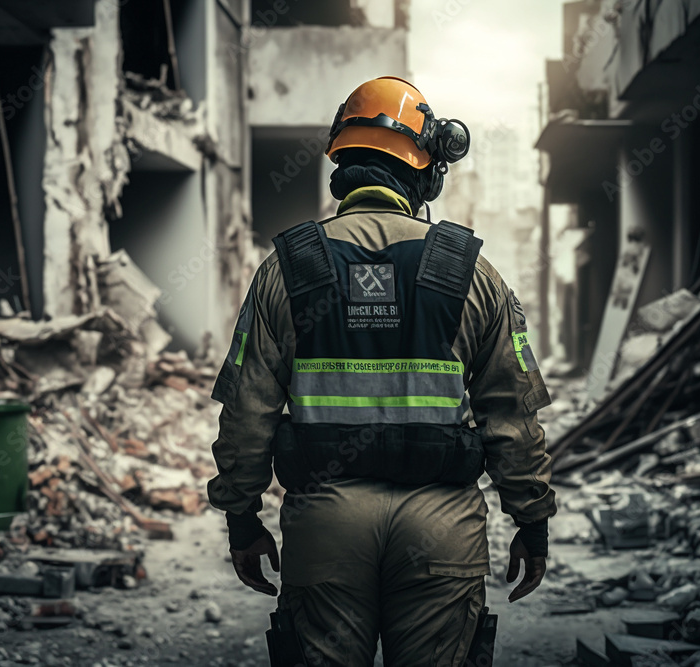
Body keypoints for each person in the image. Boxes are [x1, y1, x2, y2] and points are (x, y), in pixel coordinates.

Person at [208, 76, 557, 666]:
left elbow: (247, 411)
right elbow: (511, 413)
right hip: (441, 532)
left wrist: (242, 519)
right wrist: (532, 519)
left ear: (341, 163)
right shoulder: (471, 271)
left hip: (326, 527)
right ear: (427, 173)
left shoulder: (287, 268)